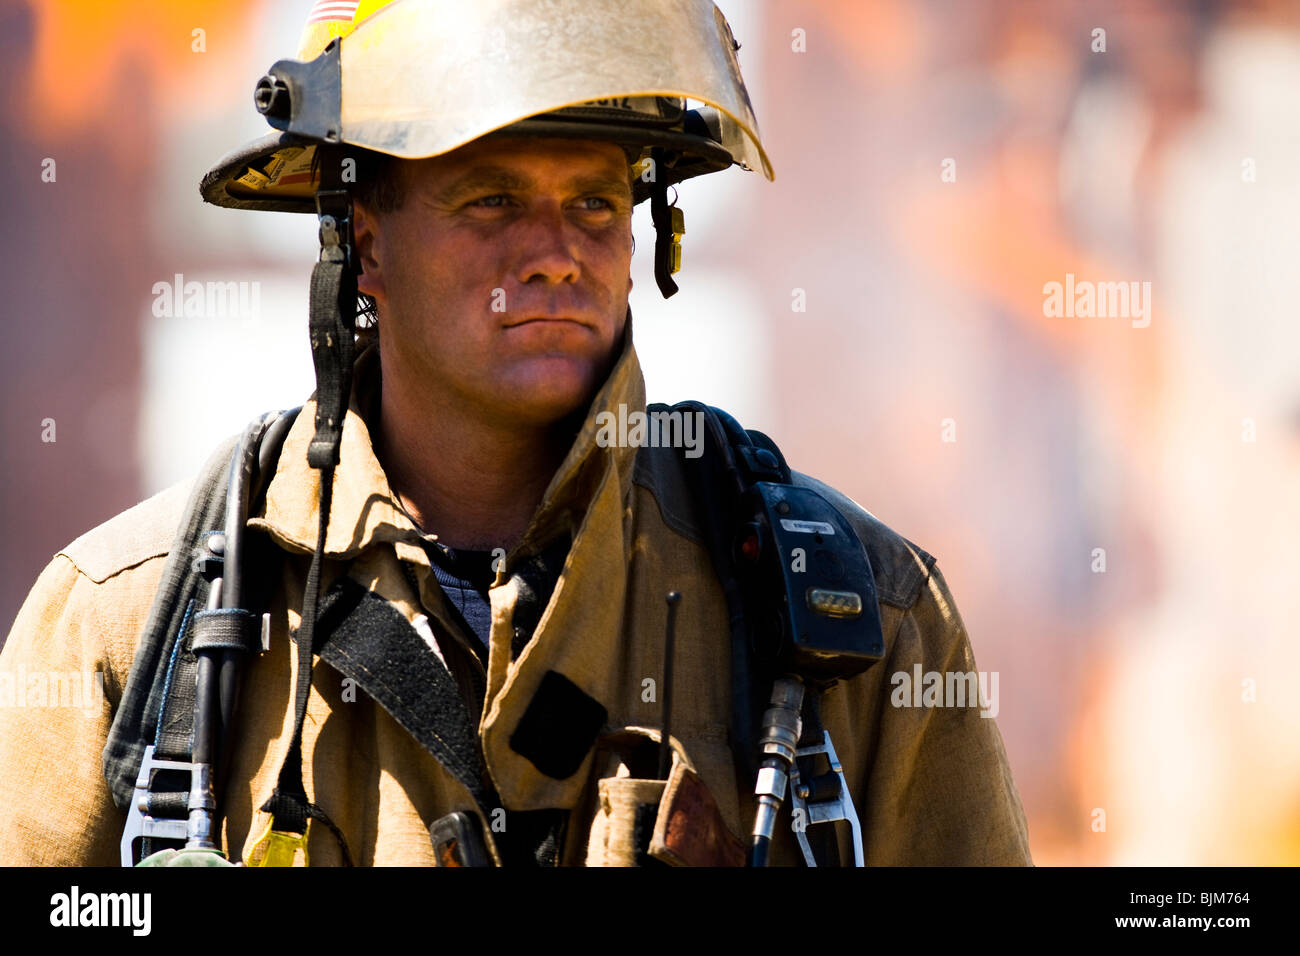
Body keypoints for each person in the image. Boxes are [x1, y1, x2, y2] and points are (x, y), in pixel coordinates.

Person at [0, 0, 1031, 867]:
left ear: (643, 241)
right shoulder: (124, 628)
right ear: (365, 246)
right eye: (490, 198)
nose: (552, 254)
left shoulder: (858, 623)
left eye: (593, 202)